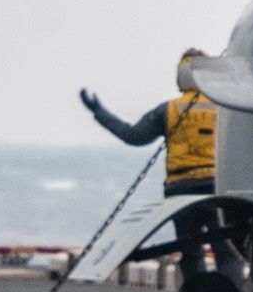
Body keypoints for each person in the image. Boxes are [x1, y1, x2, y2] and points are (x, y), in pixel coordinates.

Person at [78, 53, 221, 200]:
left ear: (180, 78)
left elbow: (134, 136)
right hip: (219, 185)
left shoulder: (168, 110)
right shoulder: (226, 109)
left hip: (180, 188)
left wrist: (99, 112)